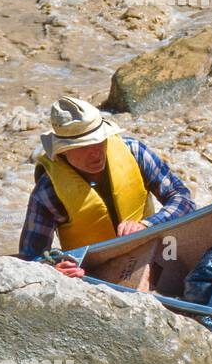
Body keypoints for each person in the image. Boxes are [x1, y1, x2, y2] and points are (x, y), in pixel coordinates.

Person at [19, 97, 196, 281]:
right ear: (62, 150)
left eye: (99, 141)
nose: (95, 152)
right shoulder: (47, 192)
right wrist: (55, 268)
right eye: (84, 146)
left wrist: (147, 224)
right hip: (92, 275)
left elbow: (184, 200)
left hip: (151, 253)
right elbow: (30, 257)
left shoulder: (135, 152)